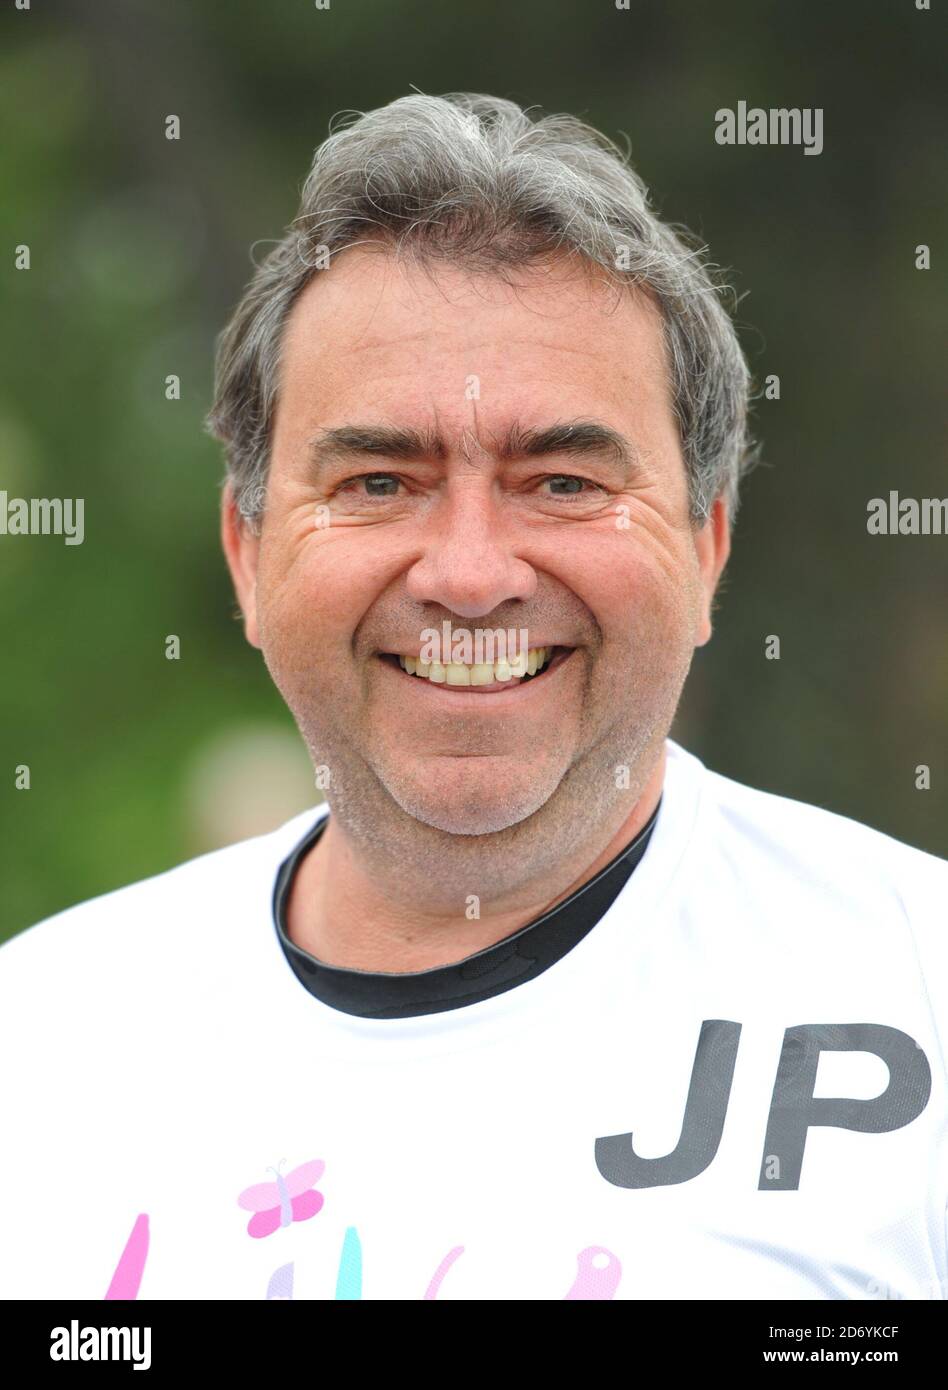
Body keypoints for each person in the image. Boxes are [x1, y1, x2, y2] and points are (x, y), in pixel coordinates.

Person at [0, 92, 944, 1303]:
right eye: (381, 480)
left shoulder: (924, 988)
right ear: (247, 553)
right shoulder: (38, 1043)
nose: (470, 574)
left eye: (559, 480)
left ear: (707, 548)